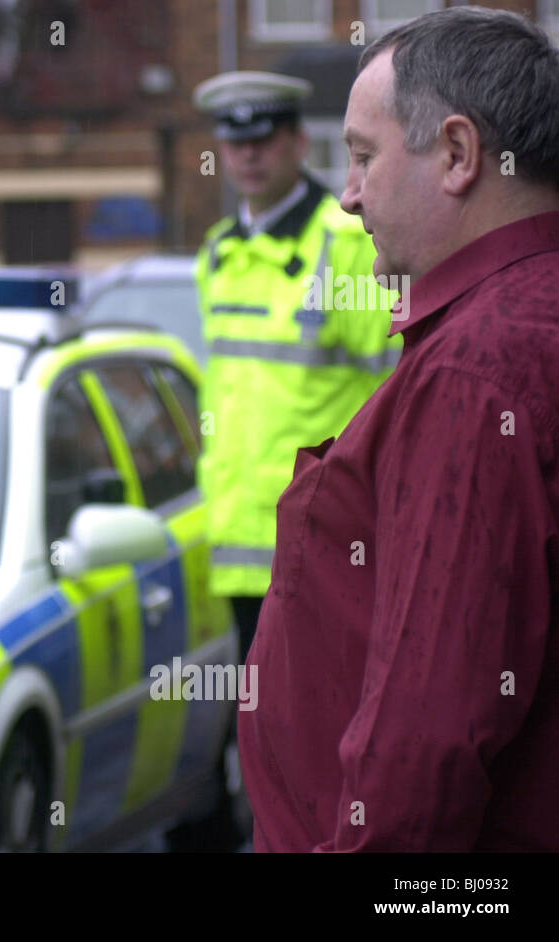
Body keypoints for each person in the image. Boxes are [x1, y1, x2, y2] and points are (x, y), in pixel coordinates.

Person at [240, 6, 559, 851]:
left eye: (363, 155)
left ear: (457, 155)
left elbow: (427, 737)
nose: (347, 195)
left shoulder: (474, 368)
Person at [192, 71, 402, 663]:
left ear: (298, 143)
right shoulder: (217, 253)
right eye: (236, 143)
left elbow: (396, 388)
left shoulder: (345, 245)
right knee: (255, 733)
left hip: (322, 547)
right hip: (236, 551)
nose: (249, 155)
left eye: (265, 138)